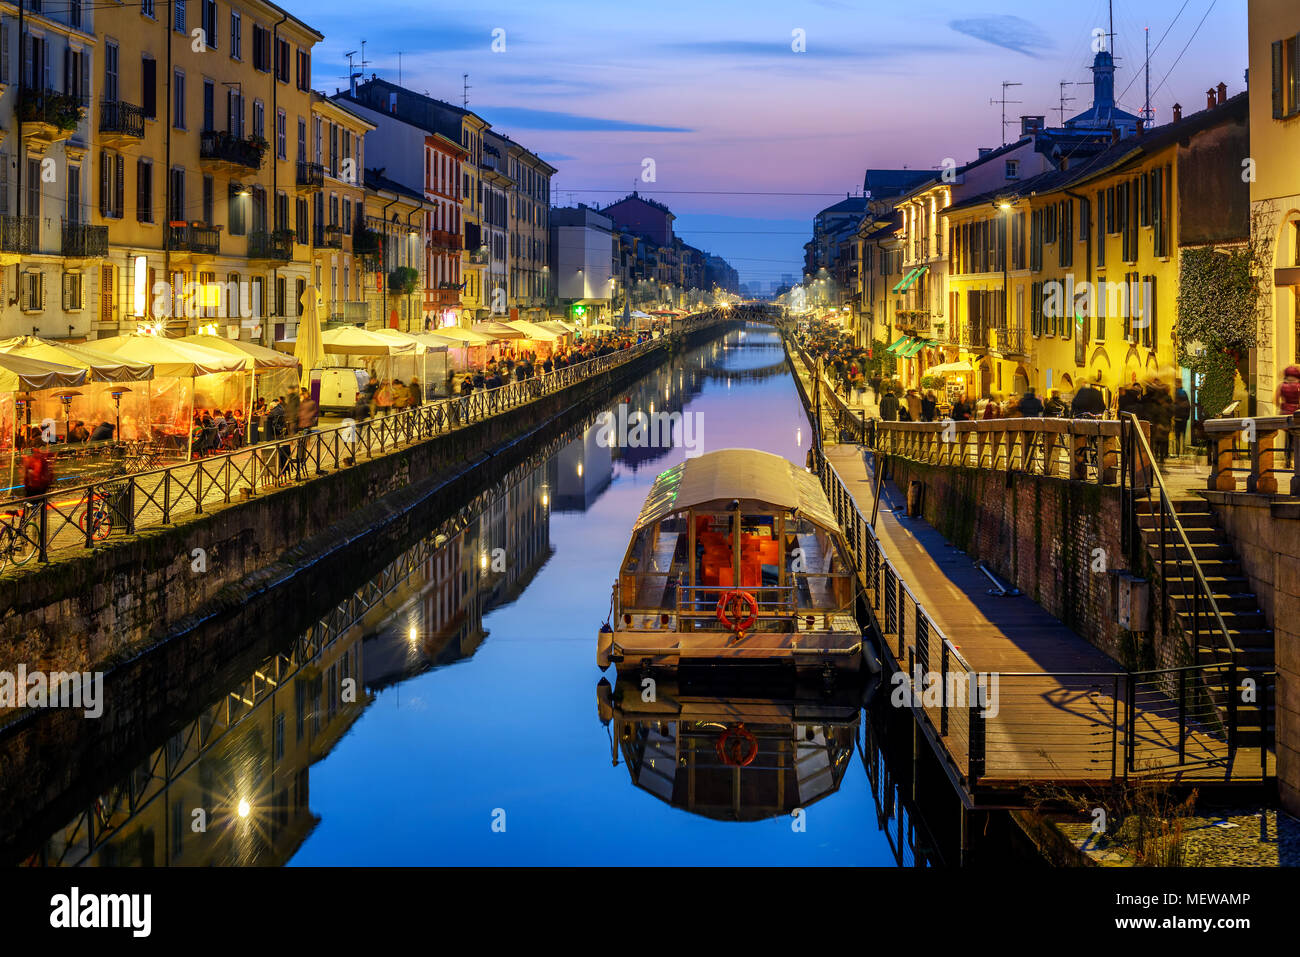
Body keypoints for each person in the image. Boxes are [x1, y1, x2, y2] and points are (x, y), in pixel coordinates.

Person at [1173, 384, 1192, 456]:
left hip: (1177, 420)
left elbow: (1173, 410)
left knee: (1177, 437)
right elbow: (1188, 411)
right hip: (1184, 421)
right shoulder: (1187, 402)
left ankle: (1178, 453)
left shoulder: (1176, 401)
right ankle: (1183, 452)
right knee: (1183, 437)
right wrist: (1186, 418)